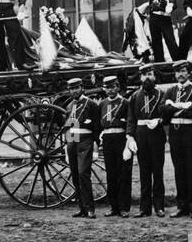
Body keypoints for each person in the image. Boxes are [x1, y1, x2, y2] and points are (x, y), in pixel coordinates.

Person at [163, 60, 192, 217]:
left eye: (183, 71)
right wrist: (184, 106)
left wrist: (173, 106)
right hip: (174, 133)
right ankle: (182, 206)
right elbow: (163, 110)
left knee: (191, 168)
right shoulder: (170, 90)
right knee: (179, 169)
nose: (180, 74)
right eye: (177, 72)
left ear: (188, 73)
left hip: (189, 131)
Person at [127, 70, 167, 217]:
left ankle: (159, 206)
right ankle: (144, 208)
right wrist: (130, 137)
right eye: (144, 75)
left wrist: (159, 121)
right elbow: (131, 118)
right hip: (141, 134)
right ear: (140, 78)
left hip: (156, 134)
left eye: (150, 74)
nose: (147, 78)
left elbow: (167, 114)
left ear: (154, 77)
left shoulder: (162, 94)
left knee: (158, 171)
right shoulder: (134, 96)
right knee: (144, 172)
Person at [63, 77, 100, 218]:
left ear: (82, 88)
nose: (74, 91)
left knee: (83, 173)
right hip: (73, 140)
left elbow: (97, 128)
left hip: (86, 139)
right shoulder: (69, 106)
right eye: (71, 89)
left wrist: (96, 147)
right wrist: (67, 148)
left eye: (76, 88)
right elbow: (68, 127)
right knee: (75, 175)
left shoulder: (91, 104)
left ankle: (90, 209)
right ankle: (82, 208)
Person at [98, 75, 132, 217]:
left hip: (121, 138)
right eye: (107, 88)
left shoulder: (125, 103)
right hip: (107, 139)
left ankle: (124, 207)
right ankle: (114, 207)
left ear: (118, 87)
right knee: (111, 174)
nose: (110, 90)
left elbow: (130, 121)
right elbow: (99, 123)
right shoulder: (102, 104)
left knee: (123, 173)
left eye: (113, 87)